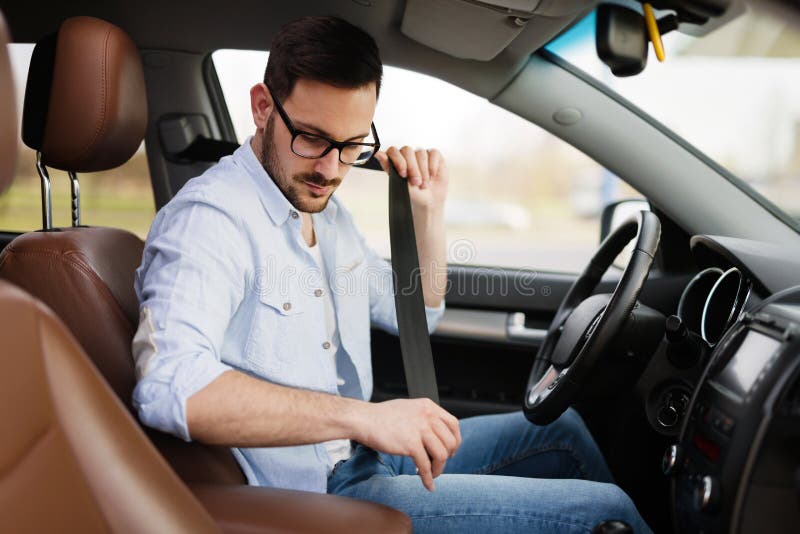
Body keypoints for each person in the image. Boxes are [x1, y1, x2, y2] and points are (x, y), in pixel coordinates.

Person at [132, 15, 651, 533]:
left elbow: (419, 314)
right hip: (312, 496)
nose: (332, 170)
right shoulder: (210, 220)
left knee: (563, 432)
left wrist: (427, 213)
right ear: (263, 108)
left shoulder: (326, 214)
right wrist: (362, 417)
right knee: (607, 514)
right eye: (312, 139)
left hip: (363, 455)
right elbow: (171, 386)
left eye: (353, 144)